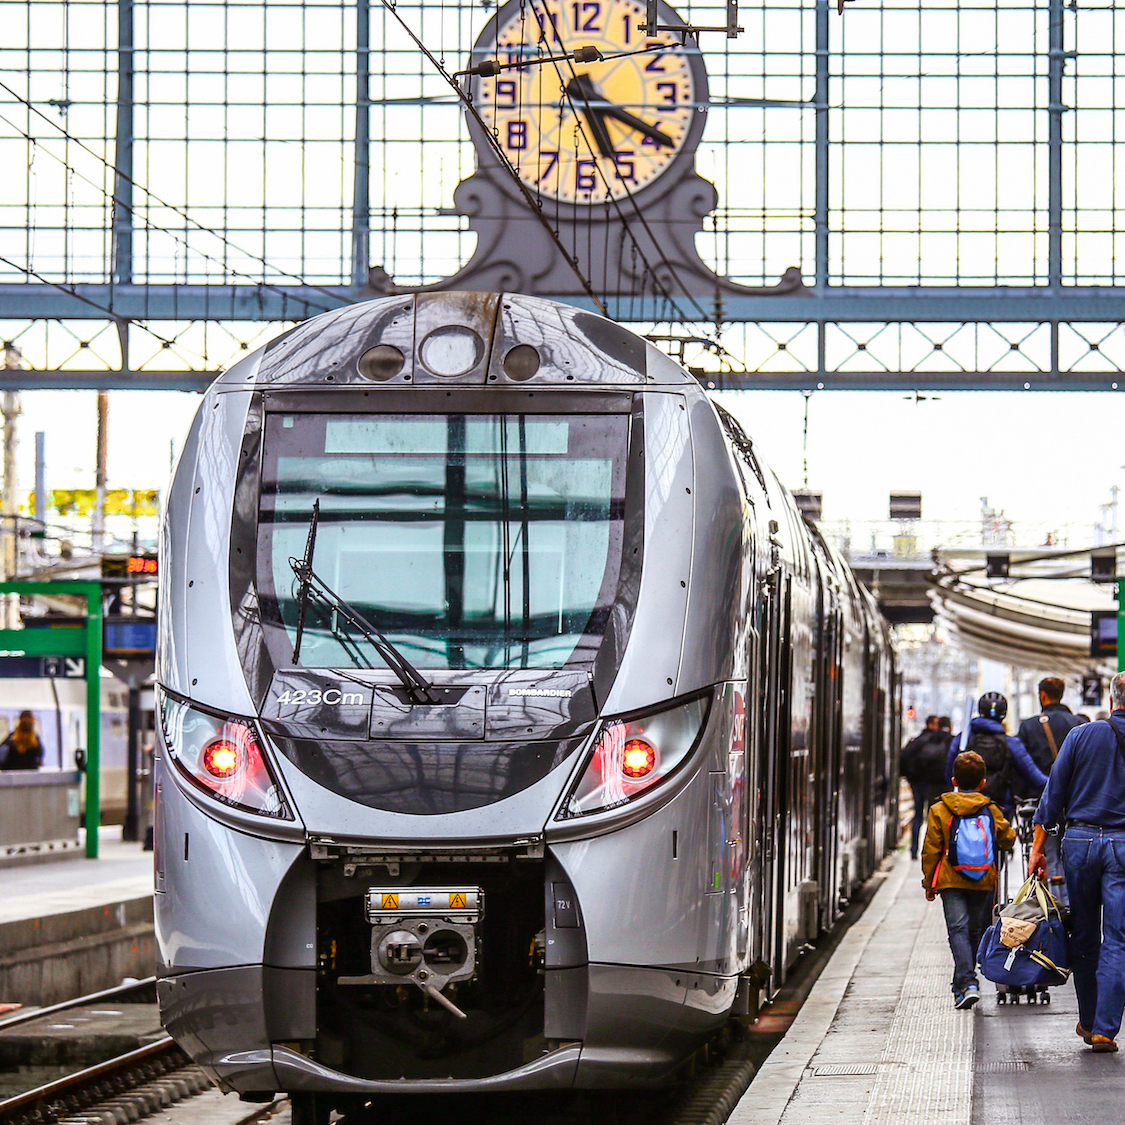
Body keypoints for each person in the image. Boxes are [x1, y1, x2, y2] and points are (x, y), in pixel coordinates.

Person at [1030, 670, 1125, 1053]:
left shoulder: (1082, 735)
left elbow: (1052, 797)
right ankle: (1104, 1027)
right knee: (1118, 938)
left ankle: (1087, 1020)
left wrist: (1038, 848)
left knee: (1085, 934)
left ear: (1111, 699)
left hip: (1080, 842)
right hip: (1123, 845)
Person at [921, 750, 1016, 1009]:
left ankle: (966, 983)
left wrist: (929, 883)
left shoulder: (939, 809)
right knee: (975, 931)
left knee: (958, 931)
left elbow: (931, 849)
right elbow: (1008, 838)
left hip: (951, 881)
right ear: (983, 782)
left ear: (954, 780)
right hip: (983, 878)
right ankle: (963, 983)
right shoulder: (990, 809)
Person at [1017, 676, 1088, 905]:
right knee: (1070, 851)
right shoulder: (1078, 723)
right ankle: (1070, 902)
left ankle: (1055, 906)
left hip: (1042, 801)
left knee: (1047, 851)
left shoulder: (1028, 726)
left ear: (1043, 695)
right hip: (1075, 802)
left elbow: (1021, 766)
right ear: (1062, 694)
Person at [945, 692, 1047, 815]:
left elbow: (949, 774)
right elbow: (1034, 778)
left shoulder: (962, 741)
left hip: (965, 809)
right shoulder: (1012, 744)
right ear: (1003, 715)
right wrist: (1061, 785)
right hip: (1000, 811)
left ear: (980, 710)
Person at [900, 714, 953, 859]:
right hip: (932, 784)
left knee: (917, 815)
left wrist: (911, 776)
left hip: (918, 783)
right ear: (932, 724)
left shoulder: (918, 741)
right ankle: (933, 849)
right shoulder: (938, 741)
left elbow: (904, 757)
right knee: (934, 818)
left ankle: (914, 849)